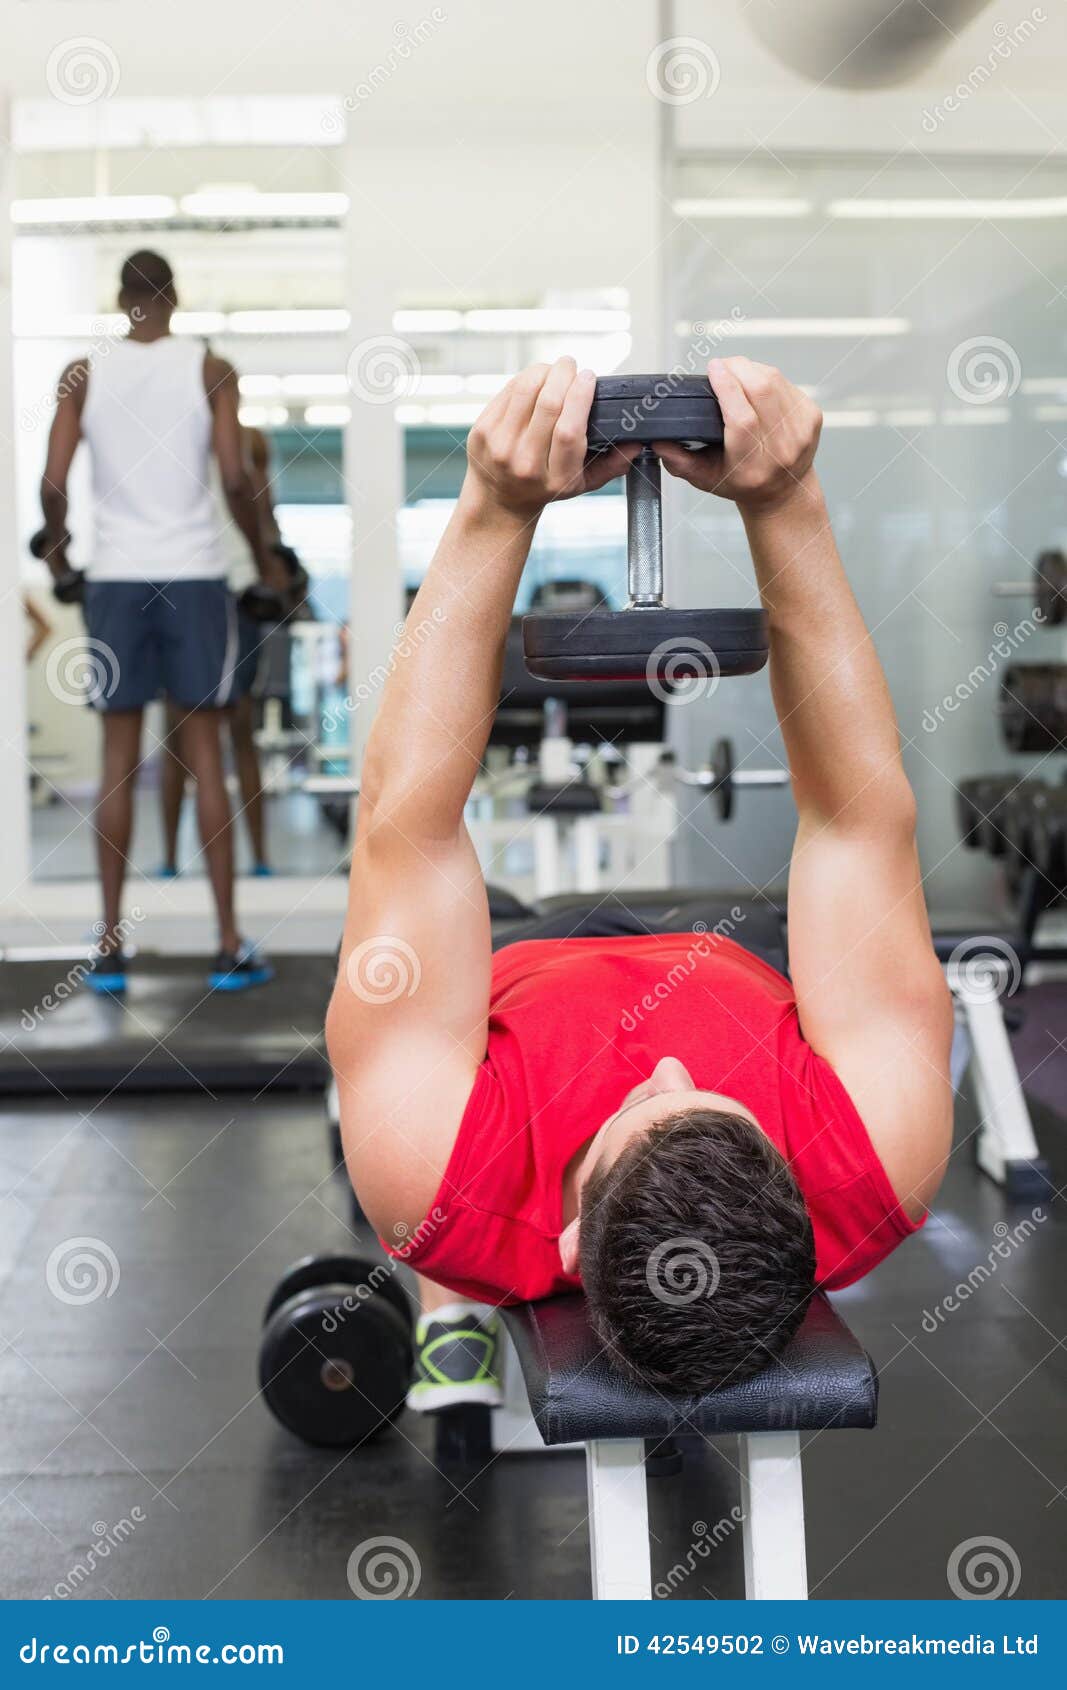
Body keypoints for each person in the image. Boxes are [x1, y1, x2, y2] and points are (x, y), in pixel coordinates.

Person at [326, 356, 953, 1407]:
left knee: (410, 1075)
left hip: (518, 986)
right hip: (724, 962)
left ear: (571, 1242)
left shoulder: (429, 1171)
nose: (661, 1063)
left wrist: (494, 506)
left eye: (644, 1108)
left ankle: (452, 1305)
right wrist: (784, 501)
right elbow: (856, 820)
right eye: (705, 1103)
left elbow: (408, 820)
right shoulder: (870, 1156)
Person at [37, 250, 278, 994]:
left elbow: (53, 482)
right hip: (196, 576)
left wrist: (58, 554)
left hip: (113, 578)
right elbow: (237, 475)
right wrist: (268, 558)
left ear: (121, 299)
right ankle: (228, 942)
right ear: (174, 298)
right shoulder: (210, 367)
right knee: (205, 753)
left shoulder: (83, 372)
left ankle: (110, 949)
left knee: (118, 759)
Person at [159, 423, 278, 879]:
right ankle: (170, 858)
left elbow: (264, 511)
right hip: (190, 587)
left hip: (234, 590)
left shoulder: (251, 442)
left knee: (235, 729)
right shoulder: (173, 439)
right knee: (180, 735)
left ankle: (260, 856)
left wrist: (270, 571)